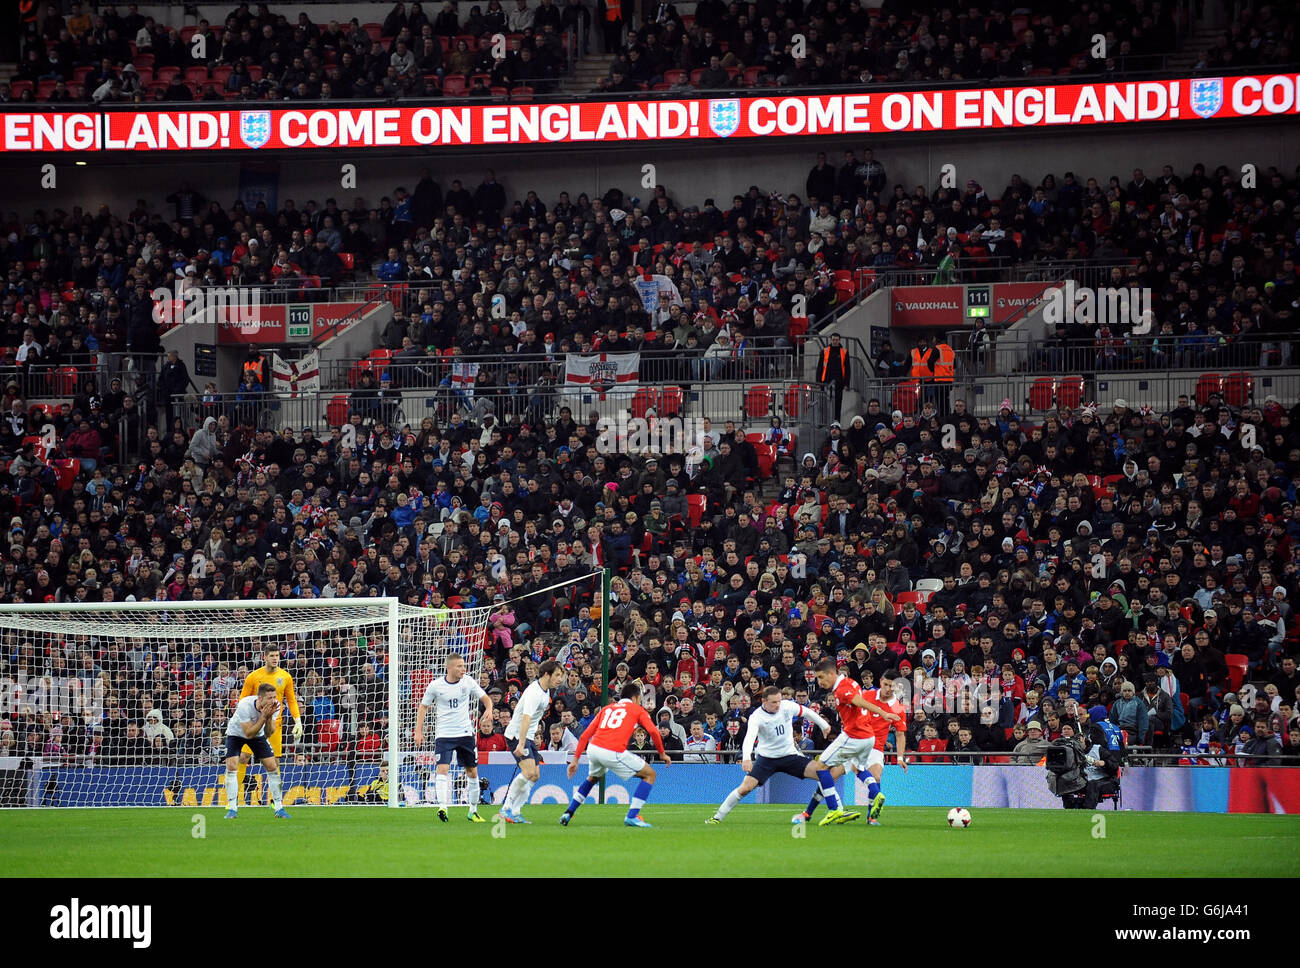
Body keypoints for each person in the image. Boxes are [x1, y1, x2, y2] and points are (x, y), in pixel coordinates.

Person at [706, 685, 848, 826]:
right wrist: (747, 758)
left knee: (822, 772)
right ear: (764, 701)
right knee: (745, 788)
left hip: (790, 756)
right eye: (774, 702)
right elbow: (749, 738)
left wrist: (824, 725)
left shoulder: (786, 706)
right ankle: (717, 817)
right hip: (767, 759)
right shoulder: (757, 717)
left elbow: (806, 712)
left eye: (779, 701)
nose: (778, 705)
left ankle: (838, 812)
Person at [798, 660, 902, 825]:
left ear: (832, 674)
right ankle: (876, 793)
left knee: (820, 767)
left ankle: (834, 810)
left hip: (853, 736)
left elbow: (858, 702)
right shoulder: (852, 682)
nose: (819, 681)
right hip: (868, 738)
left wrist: (883, 713)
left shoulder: (841, 690)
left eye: (821, 677)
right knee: (859, 769)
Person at [561, 682, 670, 828]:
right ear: (636, 697)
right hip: (612, 750)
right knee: (650, 774)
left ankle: (568, 812)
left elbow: (585, 735)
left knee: (592, 778)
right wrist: (662, 754)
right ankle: (632, 816)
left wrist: (575, 760)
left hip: (594, 749)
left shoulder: (606, 709)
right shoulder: (637, 709)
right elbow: (654, 732)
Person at [414, 652, 493, 822]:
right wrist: (418, 731)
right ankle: (443, 807)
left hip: (465, 734)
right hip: (444, 735)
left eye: (464, 666)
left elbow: (486, 698)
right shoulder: (435, 686)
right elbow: (423, 707)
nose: (463, 669)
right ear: (449, 668)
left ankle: (473, 810)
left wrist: (489, 709)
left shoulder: (468, 682)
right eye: (459, 666)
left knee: (472, 771)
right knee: (442, 769)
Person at [234, 647, 302, 806]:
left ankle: (275, 800)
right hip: (254, 723)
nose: (275, 658)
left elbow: (291, 700)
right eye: (271, 655)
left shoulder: (285, 676)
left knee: (274, 763)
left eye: (277, 655)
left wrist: (297, 720)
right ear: (265, 657)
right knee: (243, 756)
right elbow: (243, 699)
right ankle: (234, 798)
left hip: (274, 724)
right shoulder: (253, 676)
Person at [500, 658, 565, 823]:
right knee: (528, 772)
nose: (560, 679)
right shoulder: (534, 692)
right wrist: (521, 744)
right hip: (517, 735)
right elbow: (525, 719)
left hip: (527, 736)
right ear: (546, 674)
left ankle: (516, 811)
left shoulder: (545, 691)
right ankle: (505, 808)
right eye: (557, 675)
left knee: (535, 775)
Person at [223, 683, 290, 819]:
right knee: (232, 765)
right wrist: (263, 717)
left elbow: (269, 733)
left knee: (272, 766)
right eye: (270, 698)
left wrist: (269, 717)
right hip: (236, 734)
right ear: (260, 698)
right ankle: (232, 808)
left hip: (258, 735)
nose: (273, 700)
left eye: (274, 697)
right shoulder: (244, 705)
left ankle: (279, 808)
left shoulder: (275, 706)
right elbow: (248, 733)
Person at [816, 333, 850, 422]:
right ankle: (823, 421)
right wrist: (818, 382)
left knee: (838, 403)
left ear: (839, 340)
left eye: (837, 340)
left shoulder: (844, 351)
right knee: (824, 402)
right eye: (833, 340)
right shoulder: (825, 351)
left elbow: (847, 369)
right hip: (826, 380)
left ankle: (837, 421)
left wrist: (846, 383)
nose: (835, 341)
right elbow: (819, 367)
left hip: (839, 381)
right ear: (831, 340)